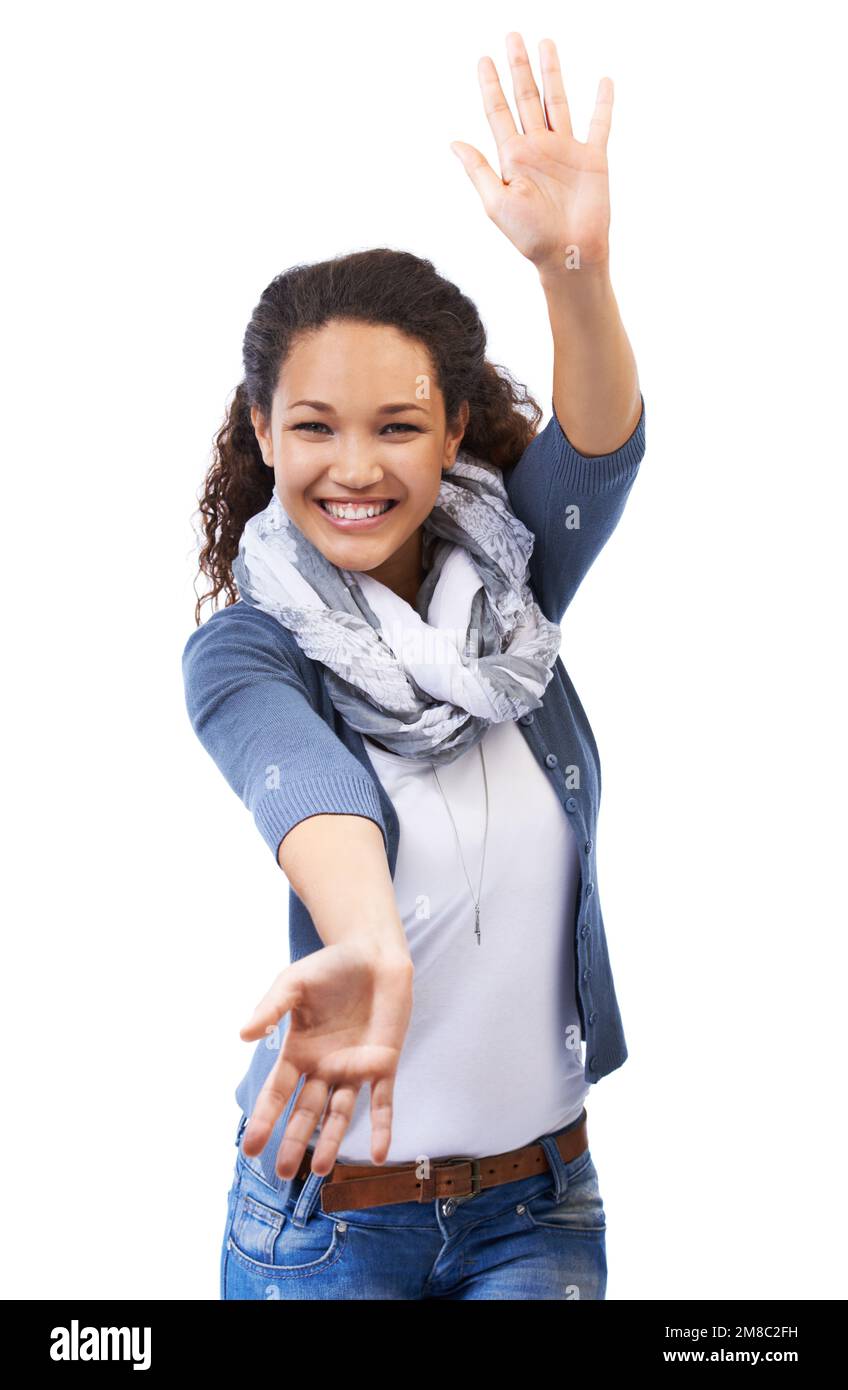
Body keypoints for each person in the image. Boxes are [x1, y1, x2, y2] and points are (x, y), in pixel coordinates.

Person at [182, 32, 645, 1300]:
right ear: (263, 432)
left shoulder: (514, 594)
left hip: (539, 1204)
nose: (355, 467)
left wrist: (574, 268)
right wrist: (368, 939)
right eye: (314, 426)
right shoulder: (246, 649)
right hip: (329, 1223)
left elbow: (597, 459)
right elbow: (309, 793)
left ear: (452, 432)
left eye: (397, 426)